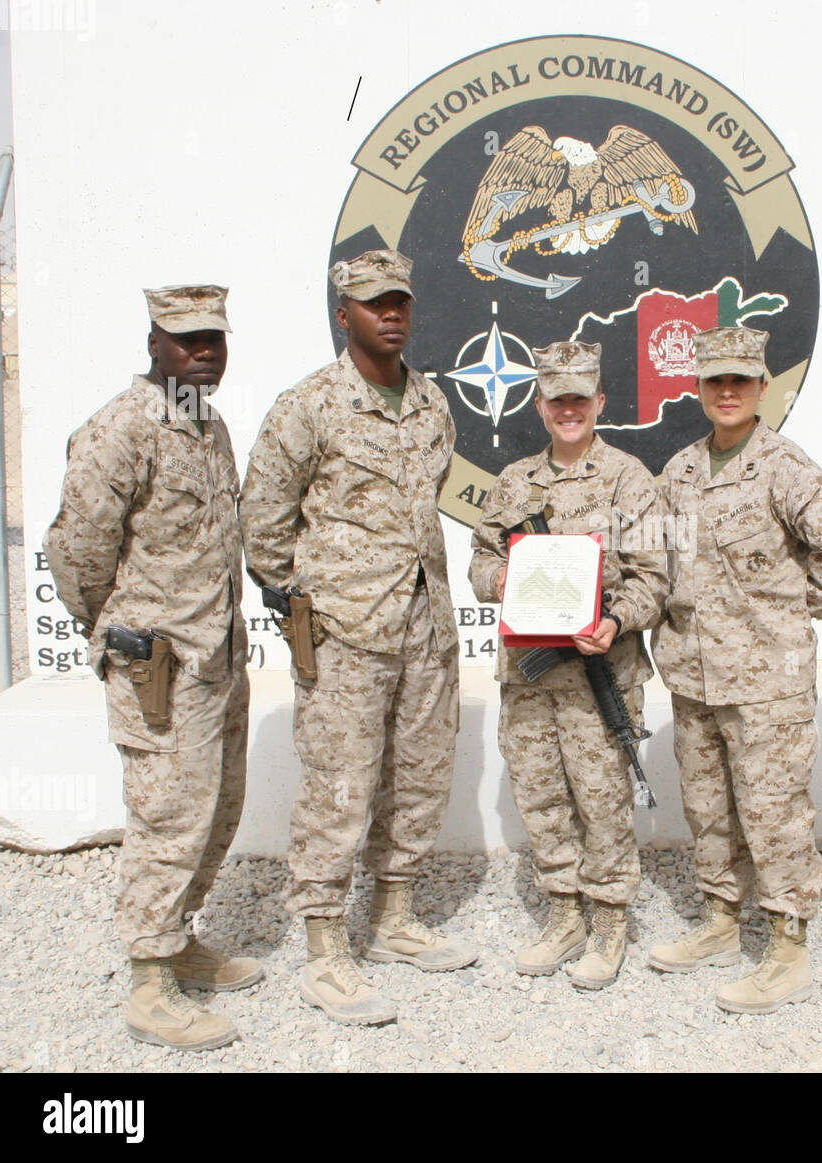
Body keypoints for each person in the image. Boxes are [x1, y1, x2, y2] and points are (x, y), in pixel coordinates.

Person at [239, 249, 474, 1027]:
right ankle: (324, 946)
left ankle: (395, 914)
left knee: (419, 771)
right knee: (339, 785)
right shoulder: (309, 405)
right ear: (344, 315)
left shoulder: (433, 402)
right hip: (345, 630)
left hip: (424, 620)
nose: (391, 313)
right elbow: (263, 519)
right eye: (375, 303)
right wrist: (313, 599)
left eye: (400, 299)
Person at [45, 284, 257, 1052]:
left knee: (217, 808)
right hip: (159, 667)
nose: (203, 352)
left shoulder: (208, 425)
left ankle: (179, 937)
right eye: (185, 339)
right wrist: (120, 631)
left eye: (213, 339)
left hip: (216, 657)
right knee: (166, 820)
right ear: (153, 345)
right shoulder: (120, 430)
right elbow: (76, 554)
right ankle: (149, 983)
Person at [646, 325, 822, 1014]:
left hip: (766, 682)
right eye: (715, 380)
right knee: (708, 806)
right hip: (694, 675)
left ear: (762, 387)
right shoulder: (680, 470)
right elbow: (658, 560)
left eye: (740, 381)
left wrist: (789, 608)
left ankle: (788, 946)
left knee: (774, 814)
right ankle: (720, 920)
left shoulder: (783, 466)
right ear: (699, 387)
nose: (727, 392)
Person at [468, 340, 668, 989]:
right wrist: (501, 578)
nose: (569, 409)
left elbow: (654, 576)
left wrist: (617, 619)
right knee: (541, 795)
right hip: (528, 676)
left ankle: (608, 921)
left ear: (599, 402)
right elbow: (479, 559)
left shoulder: (629, 479)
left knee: (602, 798)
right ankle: (563, 913)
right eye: (557, 399)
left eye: (580, 398)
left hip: (597, 674)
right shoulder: (514, 481)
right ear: (540, 404)